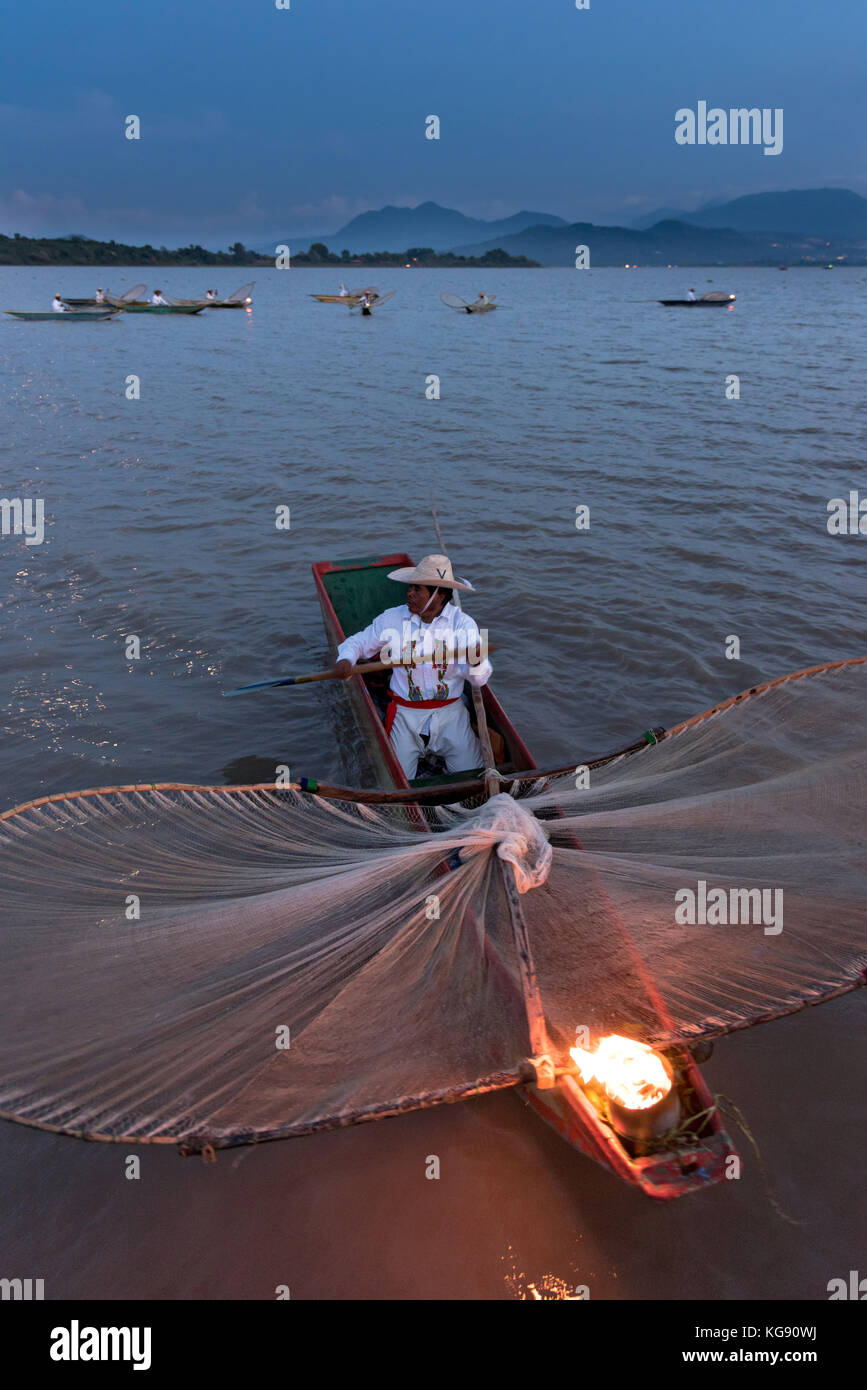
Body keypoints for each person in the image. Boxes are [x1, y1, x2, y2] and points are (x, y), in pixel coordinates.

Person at [333, 554, 492, 780]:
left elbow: (479, 679)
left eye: (417, 589)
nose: (409, 593)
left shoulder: (462, 624)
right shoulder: (393, 619)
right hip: (406, 714)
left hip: (451, 714)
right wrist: (346, 660)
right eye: (410, 588)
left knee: (472, 777)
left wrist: (476, 660)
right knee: (400, 780)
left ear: (441, 594)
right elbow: (357, 643)